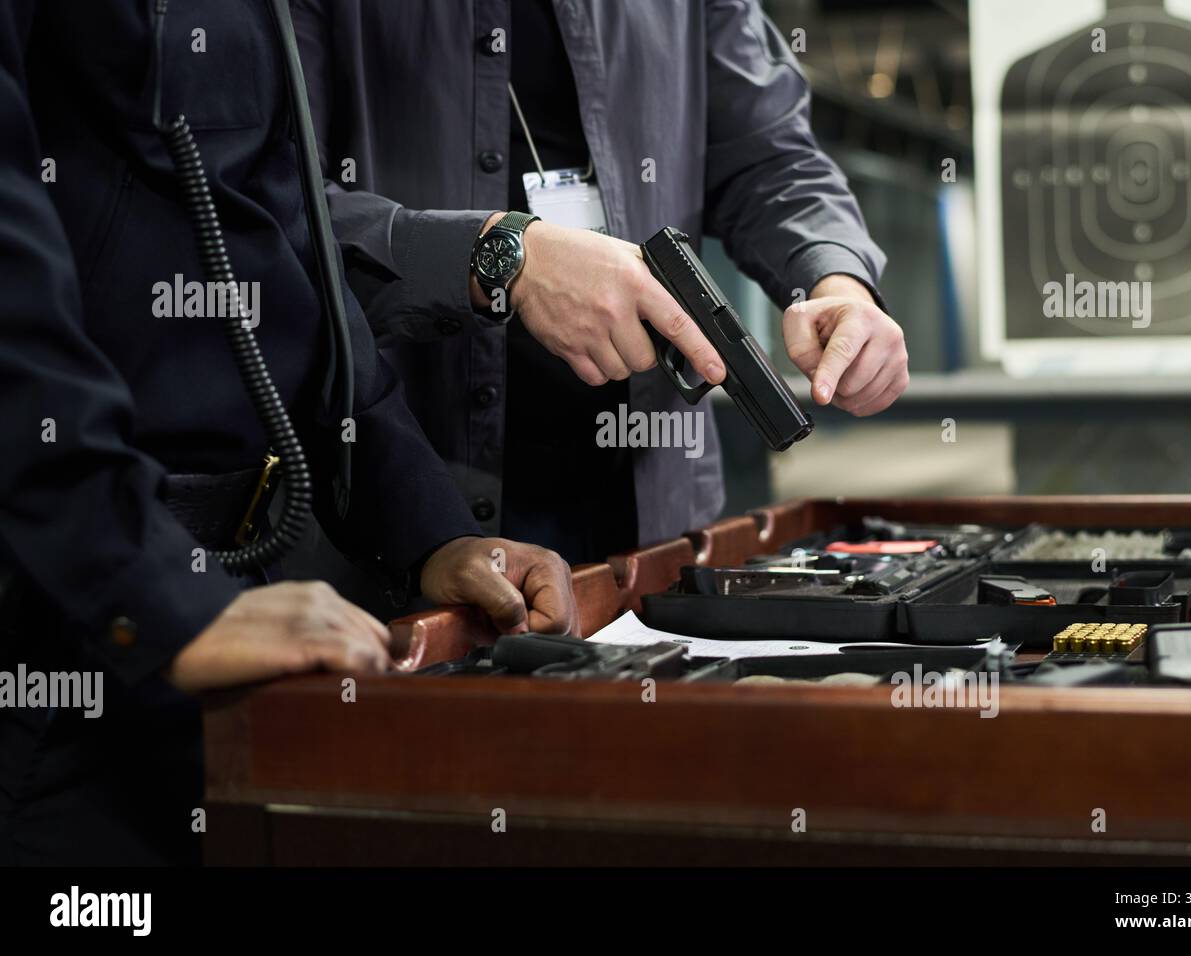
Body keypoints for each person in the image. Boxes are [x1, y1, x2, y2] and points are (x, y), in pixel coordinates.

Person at [0, 0, 575, 865]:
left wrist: (429, 532)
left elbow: (280, 250)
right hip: (54, 632)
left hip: (218, 620)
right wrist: (153, 596)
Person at [291, 0, 909, 567]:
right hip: (408, 504)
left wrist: (837, 280)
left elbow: (769, 157)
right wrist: (505, 259)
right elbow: (270, 212)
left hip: (654, 508)